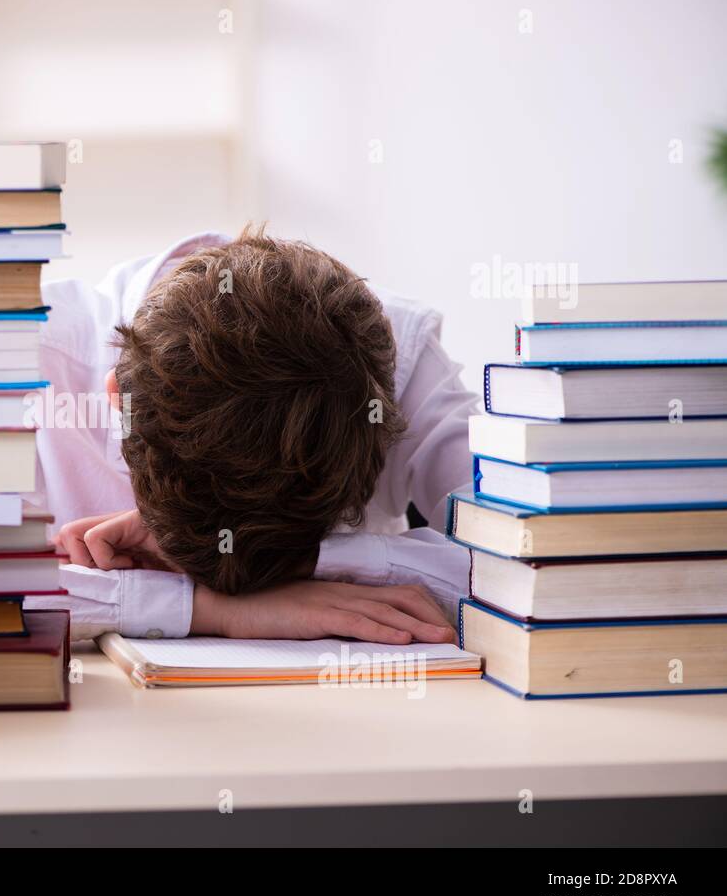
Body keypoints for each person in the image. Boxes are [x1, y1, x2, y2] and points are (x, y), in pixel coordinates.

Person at [27, 227, 478, 643]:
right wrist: (204, 608)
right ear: (118, 399)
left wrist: (306, 563)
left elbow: (527, 575)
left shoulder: (398, 364)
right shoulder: (15, 357)